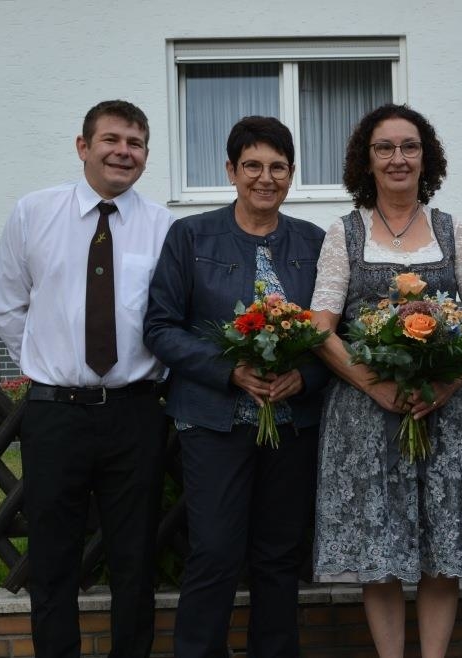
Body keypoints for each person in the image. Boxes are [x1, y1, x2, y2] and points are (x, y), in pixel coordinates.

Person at [310, 103, 462, 657]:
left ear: (426, 159)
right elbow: (321, 326)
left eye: (409, 147)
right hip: (367, 416)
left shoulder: (452, 229)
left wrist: (449, 382)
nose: (398, 158)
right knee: (382, 553)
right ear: (366, 161)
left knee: (442, 548)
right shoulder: (343, 234)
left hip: (445, 412)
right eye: (385, 148)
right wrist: (375, 385)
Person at [0, 100, 172, 658]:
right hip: (55, 414)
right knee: (52, 560)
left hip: (136, 413)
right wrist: (52, 366)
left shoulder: (164, 226)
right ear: (82, 146)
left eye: (136, 143)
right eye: (111, 139)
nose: (123, 151)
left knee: (136, 560)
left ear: (145, 155)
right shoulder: (33, 213)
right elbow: (8, 307)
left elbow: (171, 316)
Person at [143, 116, 328, 657]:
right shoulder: (191, 236)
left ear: (292, 175)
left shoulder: (315, 243)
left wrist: (305, 376)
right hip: (213, 419)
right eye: (252, 166)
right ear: (231, 170)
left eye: (277, 167)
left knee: (278, 556)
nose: (264, 178)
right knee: (216, 552)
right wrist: (230, 370)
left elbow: (334, 333)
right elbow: (159, 327)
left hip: (292, 422)